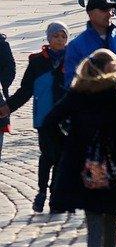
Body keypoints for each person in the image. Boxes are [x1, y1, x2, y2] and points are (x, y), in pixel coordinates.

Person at [45, 49, 116, 245]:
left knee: (93, 220)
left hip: (84, 166)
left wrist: (68, 143)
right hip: (115, 165)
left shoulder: (78, 93)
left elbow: (50, 122)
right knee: (111, 222)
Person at [4, 21, 69, 212]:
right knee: (47, 155)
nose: (59, 39)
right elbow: (26, 90)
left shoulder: (73, 59)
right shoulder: (37, 60)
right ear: (49, 38)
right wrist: (8, 107)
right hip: (45, 116)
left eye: (63, 36)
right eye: (56, 36)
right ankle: (41, 191)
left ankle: (55, 194)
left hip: (66, 117)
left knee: (61, 157)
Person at [65, 0, 116, 86]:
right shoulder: (76, 45)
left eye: (110, 10)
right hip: (91, 98)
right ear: (90, 13)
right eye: (104, 10)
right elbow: (71, 81)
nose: (109, 14)